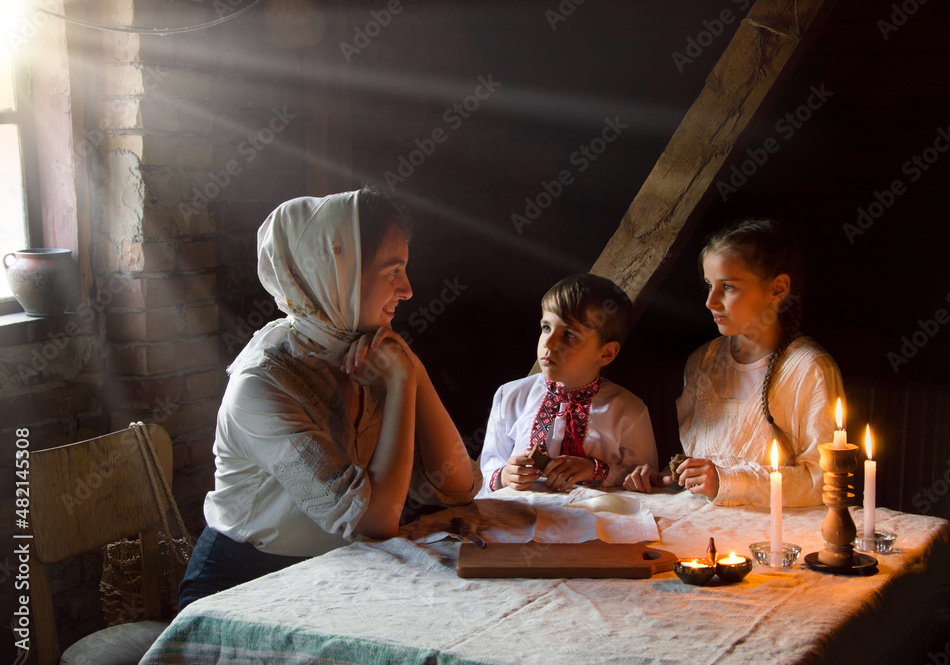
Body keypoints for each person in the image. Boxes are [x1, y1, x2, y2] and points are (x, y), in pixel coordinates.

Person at [178, 187, 482, 611]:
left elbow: (459, 485)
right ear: (337, 272)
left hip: (336, 576)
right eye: (393, 272)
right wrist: (399, 383)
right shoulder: (262, 387)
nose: (409, 290)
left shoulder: (371, 356)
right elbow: (375, 521)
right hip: (244, 590)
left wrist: (414, 373)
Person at [624, 219, 844, 507]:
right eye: (709, 286)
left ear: (778, 289)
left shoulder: (809, 369)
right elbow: (703, 463)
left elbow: (822, 480)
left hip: (774, 537)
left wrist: (730, 482)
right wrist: (664, 477)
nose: (710, 301)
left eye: (727, 287)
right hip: (701, 530)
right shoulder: (702, 361)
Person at [477, 273, 657, 496]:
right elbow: (484, 476)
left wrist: (595, 470)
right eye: (546, 328)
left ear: (606, 353)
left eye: (569, 334)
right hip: (518, 523)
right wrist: (504, 476)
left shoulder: (629, 410)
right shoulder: (510, 396)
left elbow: (646, 480)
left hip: (597, 525)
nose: (549, 344)